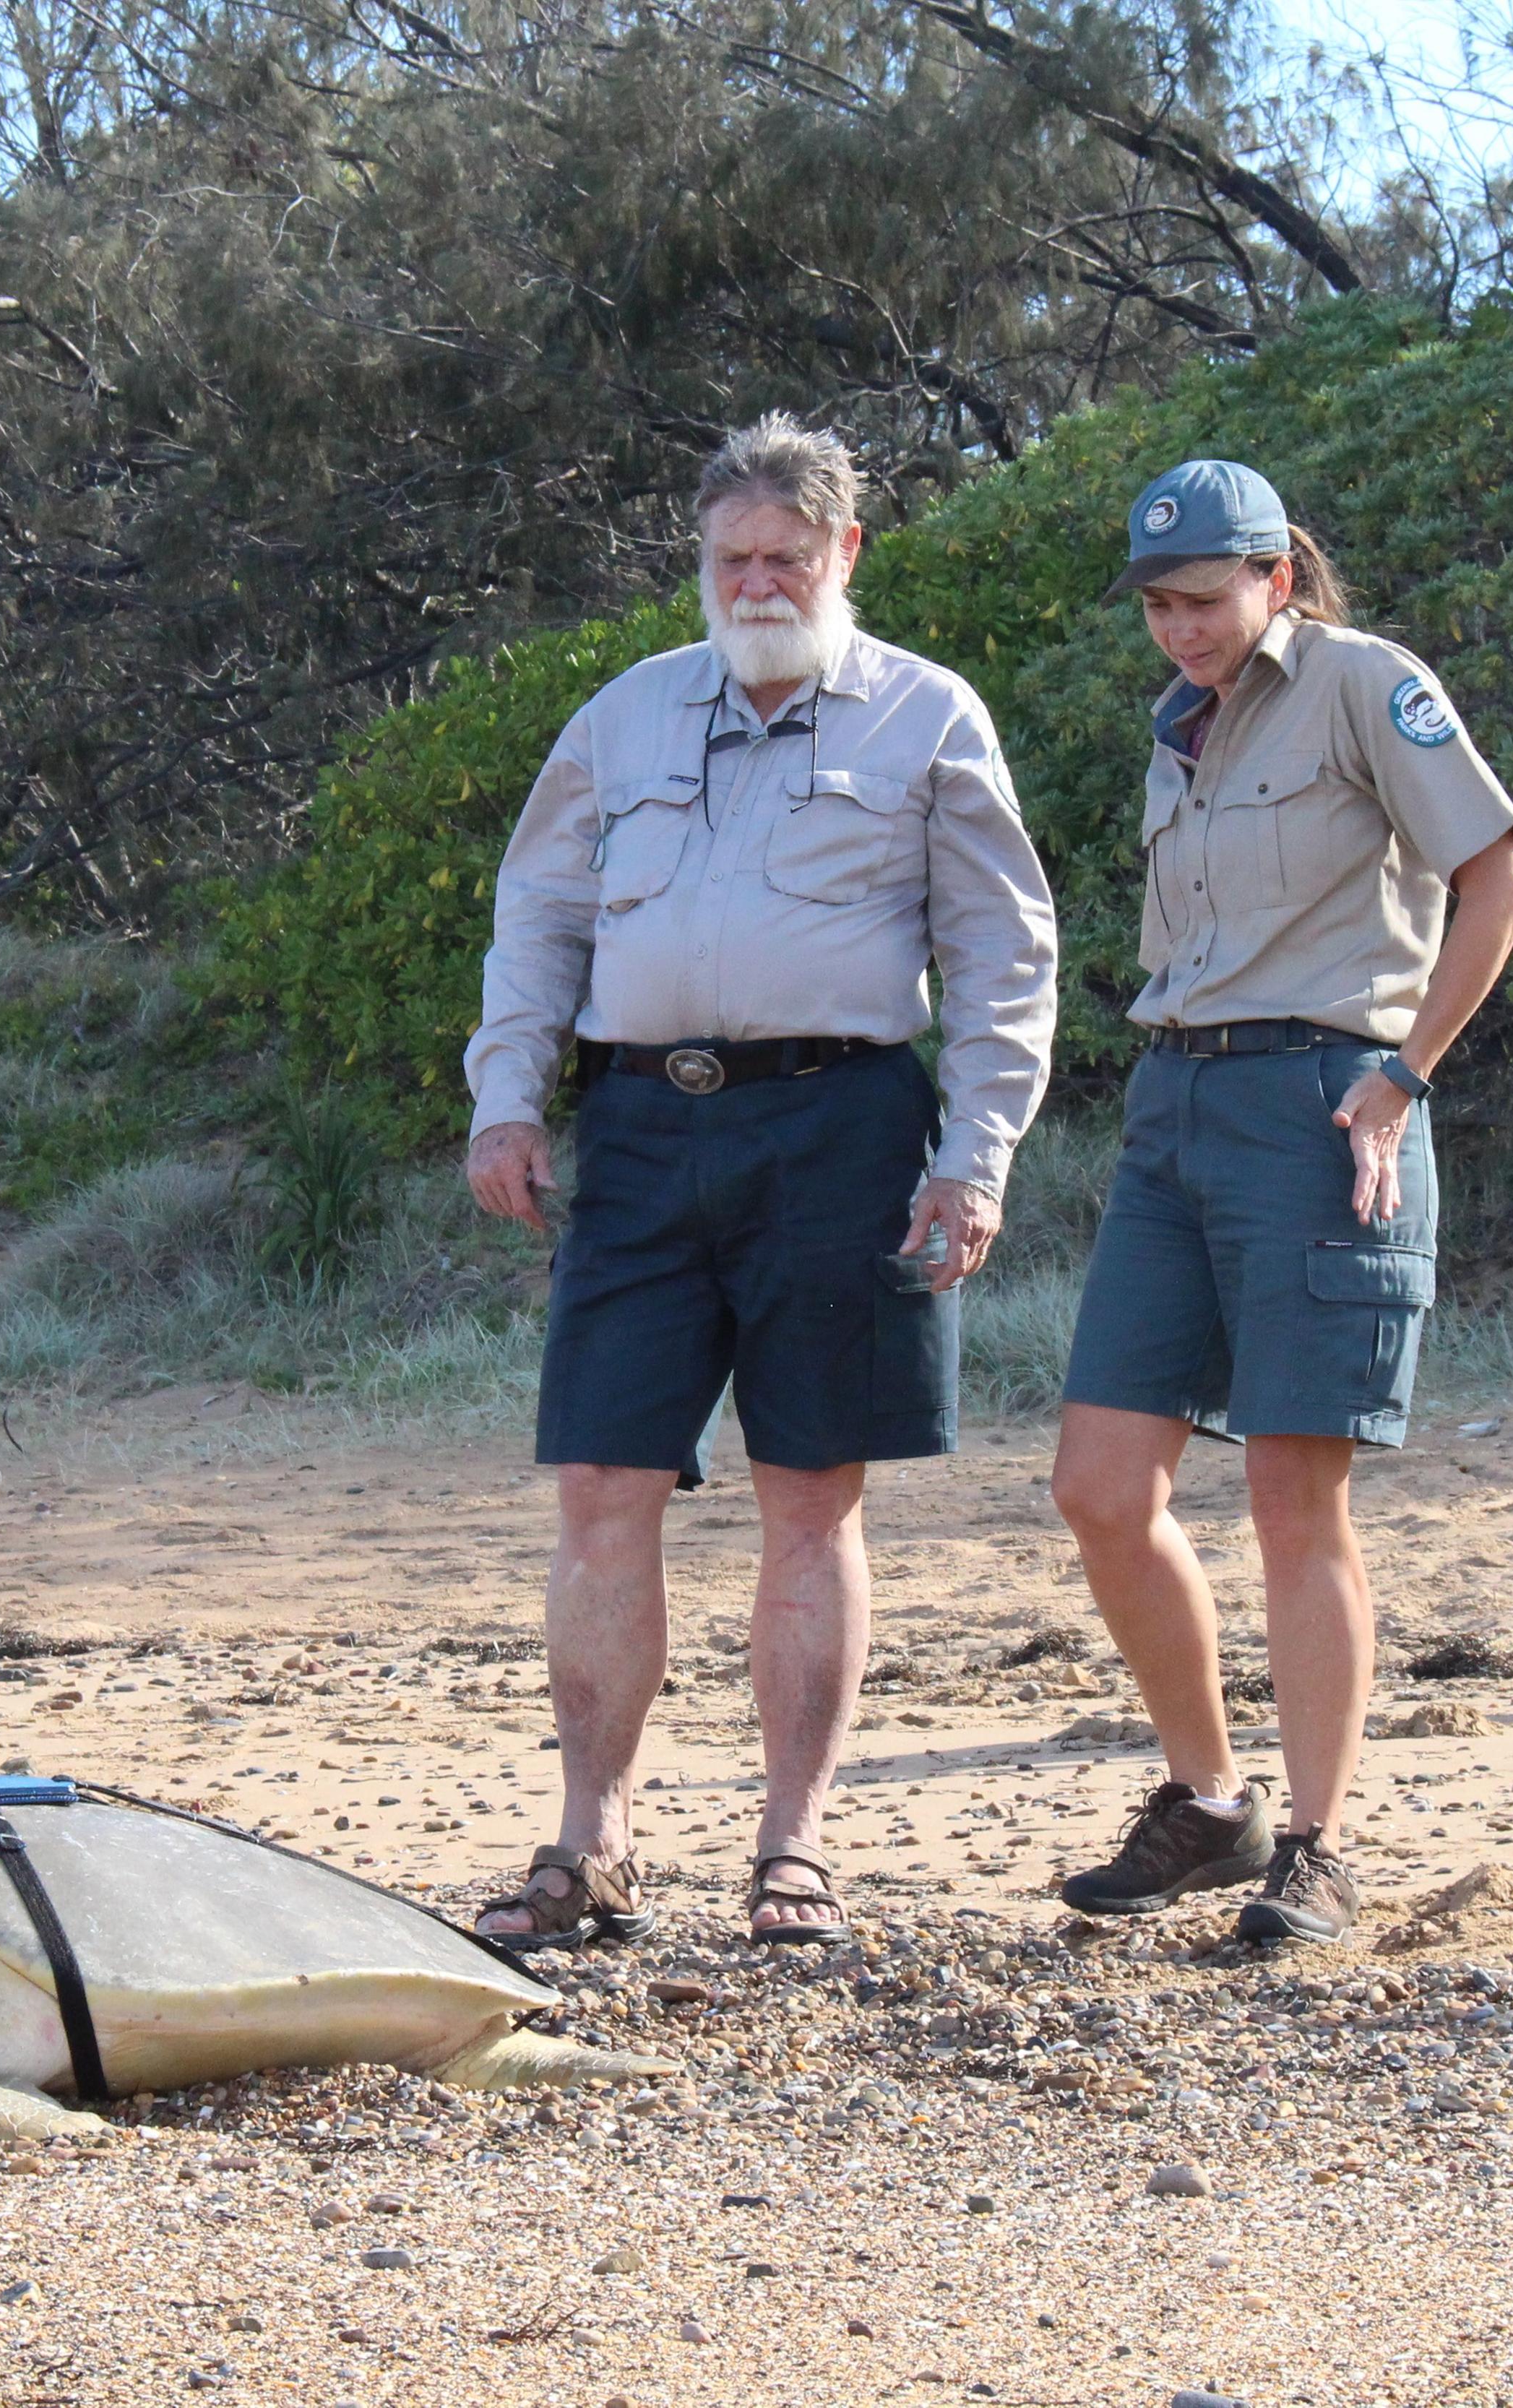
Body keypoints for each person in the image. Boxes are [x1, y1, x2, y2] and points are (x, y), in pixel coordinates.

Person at [462, 413, 1060, 1949]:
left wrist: (974, 1157)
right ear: (702, 563)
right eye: (731, 558)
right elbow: (535, 918)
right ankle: (590, 1840)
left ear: (844, 553)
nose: (756, 582)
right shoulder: (620, 717)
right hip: (642, 1130)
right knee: (601, 1487)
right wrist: (504, 1102)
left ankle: (792, 1844)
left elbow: (1004, 956)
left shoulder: (929, 716)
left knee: (812, 1496)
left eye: (785, 556)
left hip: (842, 1127)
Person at [1047, 460, 1513, 1948]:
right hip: (1175, 1104)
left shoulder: (1363, 684)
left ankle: (1318, 1846)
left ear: (1274, 573)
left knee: (1290, 1490)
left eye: (1200, 597)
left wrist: (1404, 1075)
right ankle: (1207, 1801)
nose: (1177, 627)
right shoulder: (1179, 727)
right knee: (1098, 1484)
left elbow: (1498, 882)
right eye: (1156, 604)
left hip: (1323, 1104)